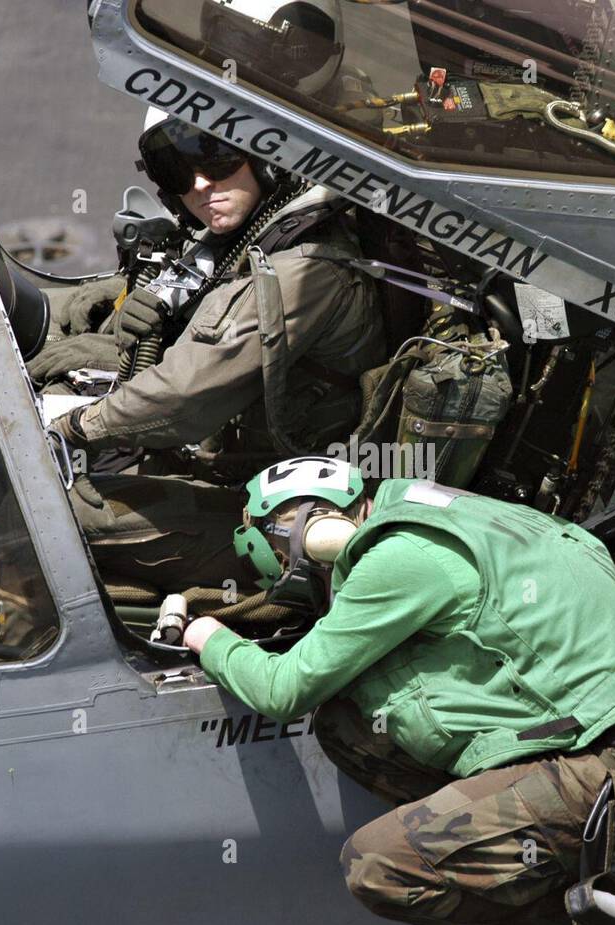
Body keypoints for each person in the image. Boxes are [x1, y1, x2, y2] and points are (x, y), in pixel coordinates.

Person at [183, 456, 615, 925]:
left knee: (379, 867)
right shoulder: (440, 511)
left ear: (316, 531)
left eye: (283, 555)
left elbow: (282, 690)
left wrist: (211, 639)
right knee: (349, 725)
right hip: (610, 731)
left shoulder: (401, 558)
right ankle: (514, 855)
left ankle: (611, 909)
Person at [28, 111, 386, 593]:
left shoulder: (304, 268)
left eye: (216, 156)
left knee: (40, 511)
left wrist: (68, 429)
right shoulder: (243, 239)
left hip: (274, 509)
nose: (198, 183)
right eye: (173, 169)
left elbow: (183, 397)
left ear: (270, 156)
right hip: (229, 465)